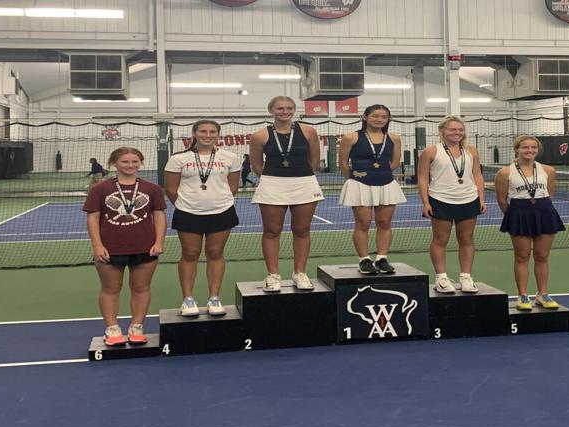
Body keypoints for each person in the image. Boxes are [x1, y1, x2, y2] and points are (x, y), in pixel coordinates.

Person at [83, 146, 166, 345]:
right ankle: (112, 329)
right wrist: (97, 246)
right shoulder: (100, 189)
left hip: (145, 248)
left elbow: (159, 215)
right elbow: (93, 218)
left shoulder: (152, 189)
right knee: (110, 289)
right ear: (114, 164)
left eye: (134, 162)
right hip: (110, 249)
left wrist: (158, 242)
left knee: (141, 288)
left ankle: (137, 327)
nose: (130, 165)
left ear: (141, 163)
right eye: (125, 162)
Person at [163, 119, 242, 317]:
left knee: (215, 253)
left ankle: (214, 298)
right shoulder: (178, 159)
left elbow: (233, 187)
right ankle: (188, 299)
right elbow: (171, 189)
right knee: (190, 254)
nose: (207, 135)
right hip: (188, 213)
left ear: (218, 134)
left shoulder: (230, 157)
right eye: (203, 131)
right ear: (195, 134)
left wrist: (218, 202)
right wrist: (186, 205)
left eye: (212, 132)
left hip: (222, 212)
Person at [247, 95, 323, 291]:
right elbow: (256, 165)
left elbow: (314, 160)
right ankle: (273, 276)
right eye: (280, 108)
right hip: (272, 184)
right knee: (272, 231)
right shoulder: (259, 136)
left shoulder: (308, 131)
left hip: (304, 183)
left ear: (294, 110)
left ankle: (300, 273)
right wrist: (275, 178)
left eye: (289, 108)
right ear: (272, 110)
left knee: (302, 230)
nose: (285, 111)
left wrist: (301, 175)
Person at [494, 135, 565, 311]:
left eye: (533, 147)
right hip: (519, 214)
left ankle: (542, 294)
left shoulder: (548, 170)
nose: (529, 151)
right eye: (525, 147)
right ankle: (523, 295)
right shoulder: (504, 173)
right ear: (517, 149)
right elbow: (502, 200)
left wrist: (541, 209)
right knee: (522, 256)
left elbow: (550, 193)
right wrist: (514, 217)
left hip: (545, 212)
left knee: (542, 256)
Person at [416, 116, 485, 293]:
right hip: (440, 199)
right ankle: (441, 279)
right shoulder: (431, 151)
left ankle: (466, 278)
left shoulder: (471, 151)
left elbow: (477, 175)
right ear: (442, 132)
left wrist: (481, 198)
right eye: (452, 129)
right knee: (440, 240)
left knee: (467, 240)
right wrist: (425, 202)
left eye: (460, 130)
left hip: (469, 199)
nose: (457, 133)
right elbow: (423, 178)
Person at [337, 104, 405, 275]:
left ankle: (382, 258)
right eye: (375, 116)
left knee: (384, 223)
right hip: (360, 185)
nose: (379, 119)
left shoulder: (394, 138)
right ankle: (364, 260)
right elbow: (344, 163)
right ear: (365, 117)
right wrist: (355, 178)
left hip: (386, 184)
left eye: (383, 117)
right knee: (363, 224)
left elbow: (395, 163)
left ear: (388, 119)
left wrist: (381, 172)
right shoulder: (351, 137)